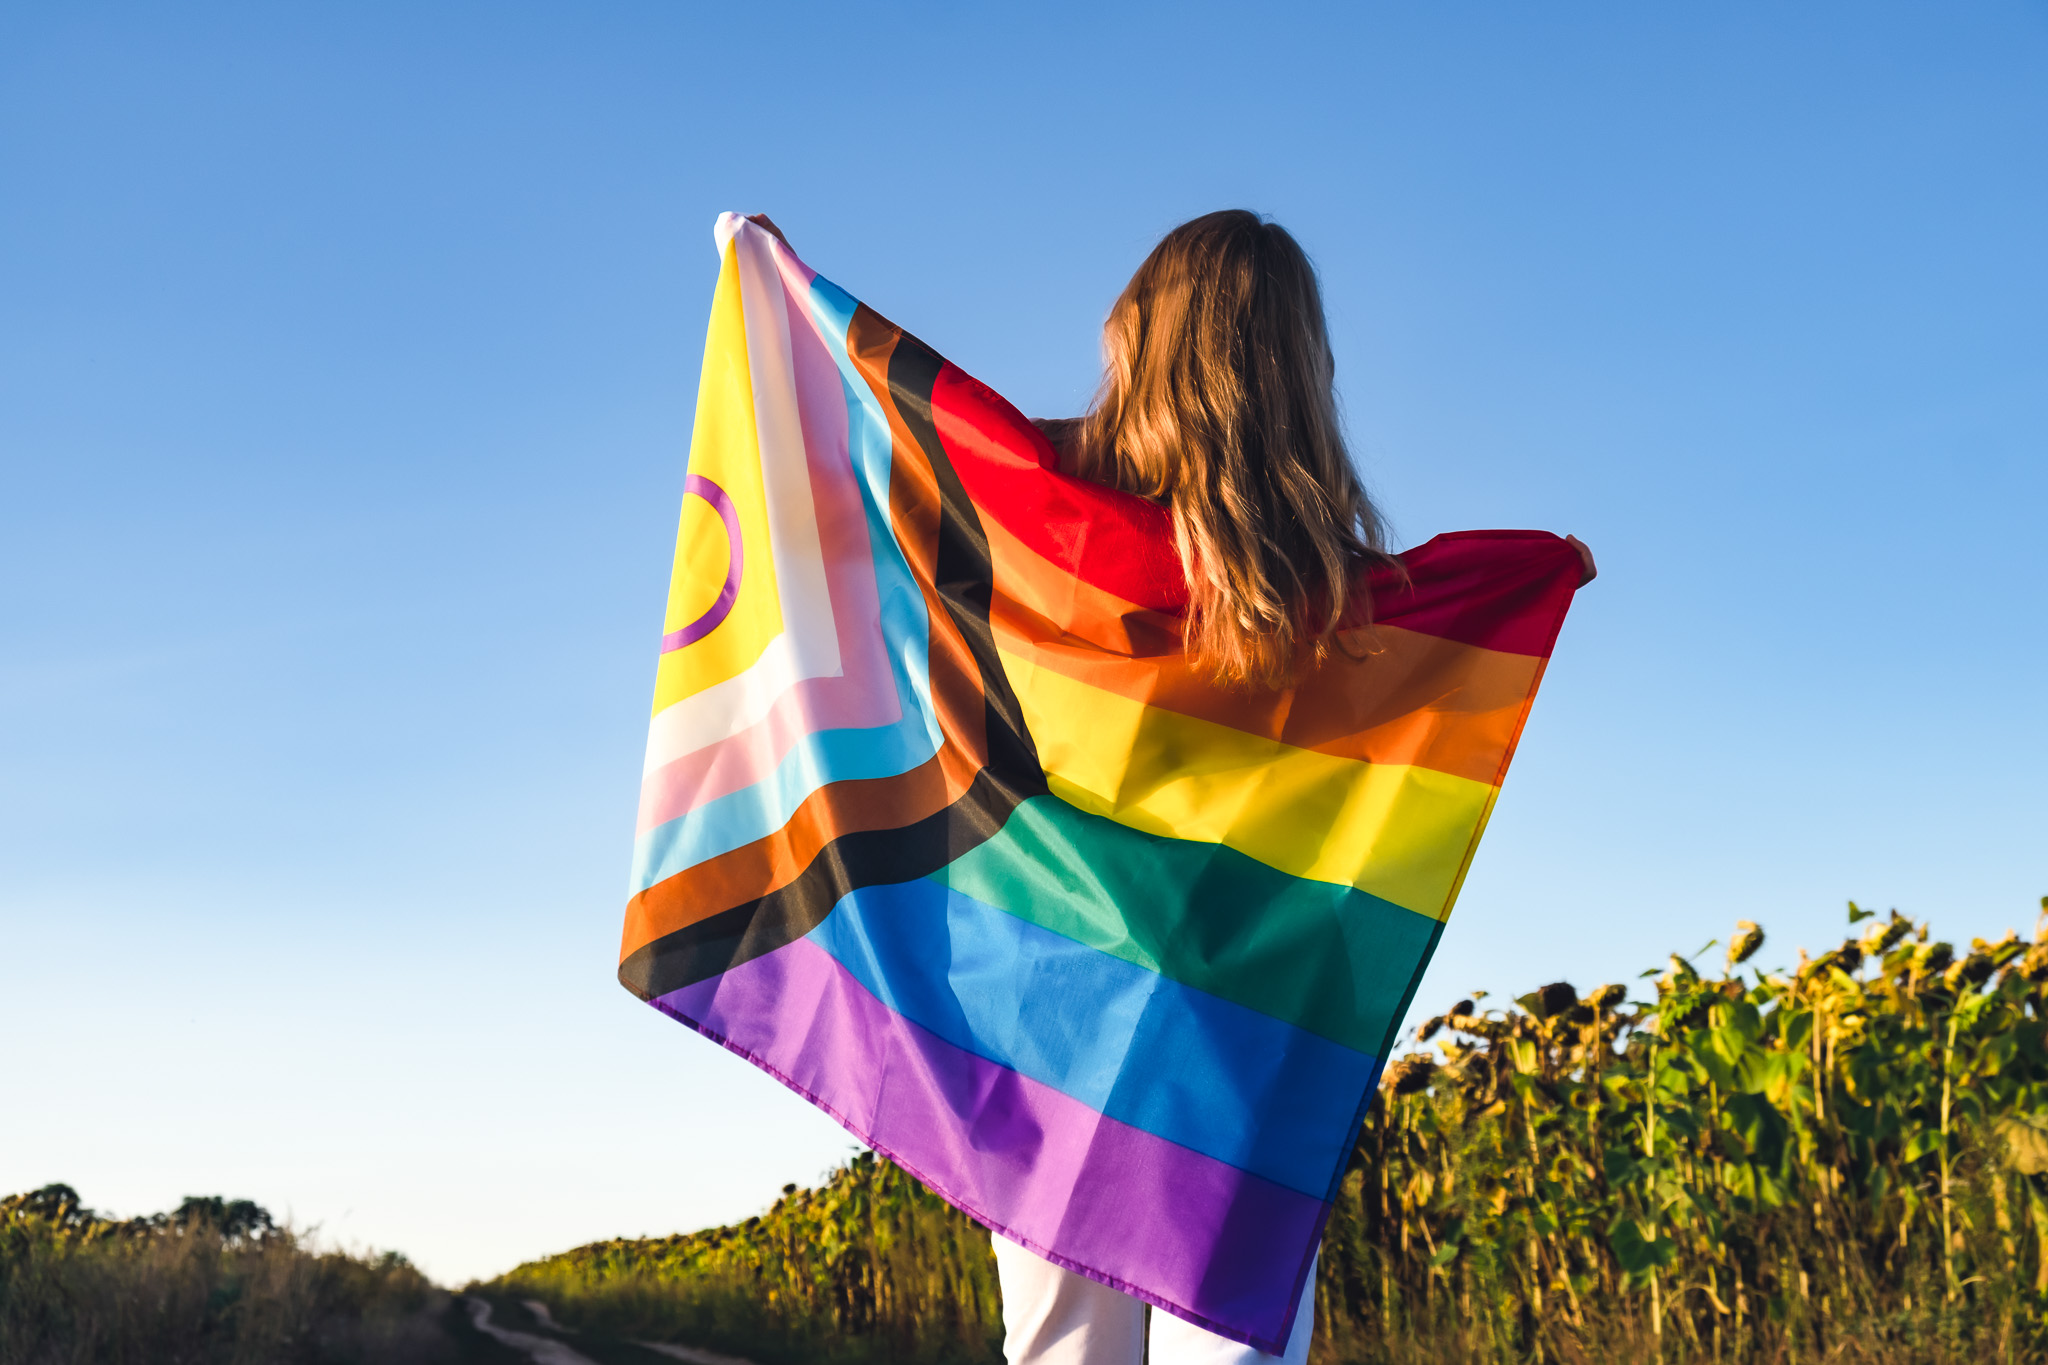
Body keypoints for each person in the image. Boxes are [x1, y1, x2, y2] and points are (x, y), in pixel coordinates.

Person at [749, 209, 1595, 1365]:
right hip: (1238, 1028)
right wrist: (1532, 578)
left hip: (1049, 1002)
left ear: (1136, 340)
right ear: (1298, 363)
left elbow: (910, 455)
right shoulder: (1329, 583)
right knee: (1232, 1344)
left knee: (1061, 1347)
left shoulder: (1049, 515)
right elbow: (1422, 657)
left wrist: (788, 299)